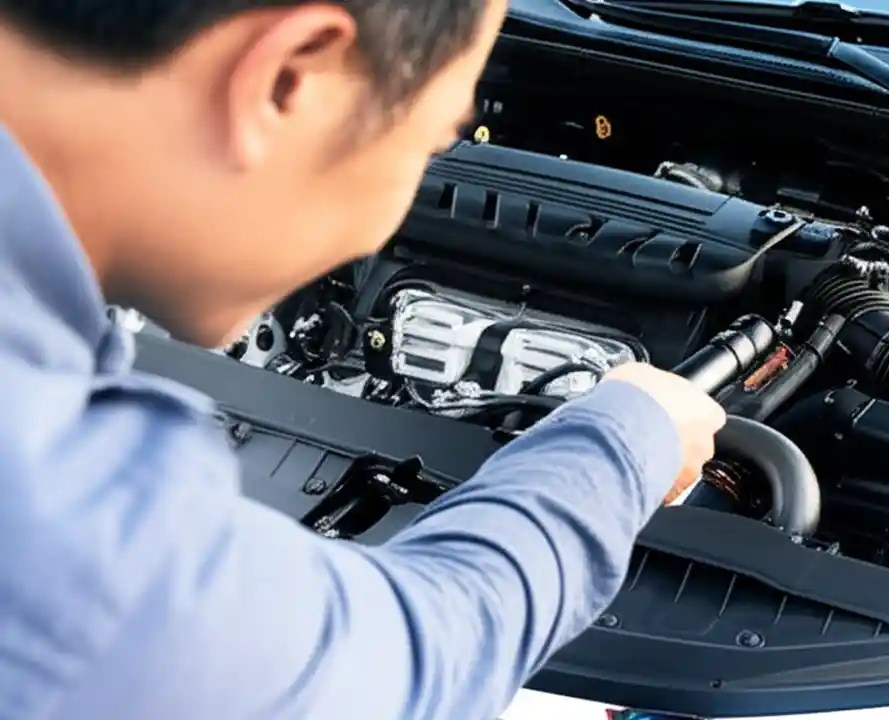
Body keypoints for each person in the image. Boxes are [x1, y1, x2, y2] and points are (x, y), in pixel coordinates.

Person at [0, 1, 726, 718]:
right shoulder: (73, 540)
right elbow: (406, 662)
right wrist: (626, 438)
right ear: (289, 80)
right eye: (435, 144)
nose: (381, 230)